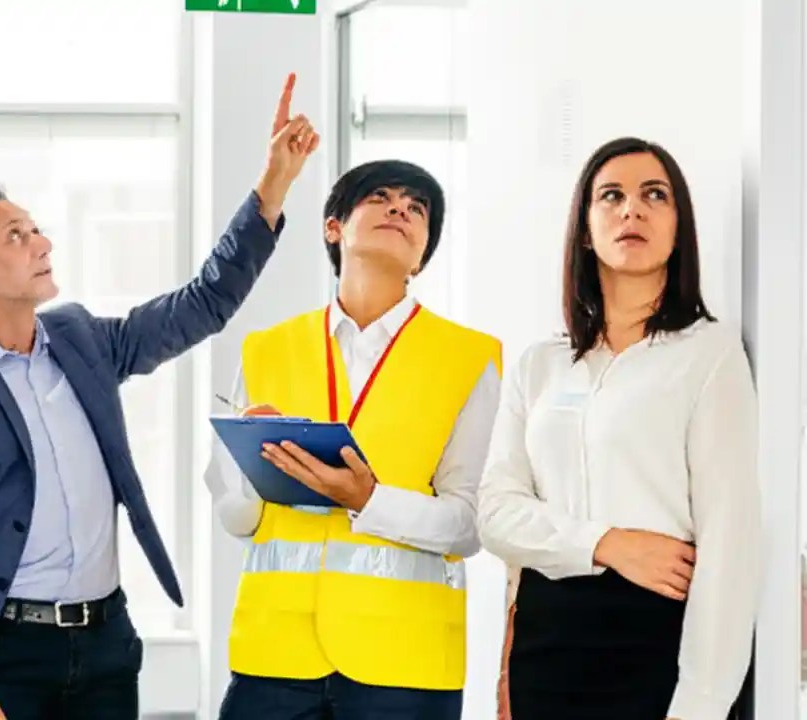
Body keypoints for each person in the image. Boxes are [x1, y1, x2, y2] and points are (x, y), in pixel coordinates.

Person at [0, 73, 319, 720]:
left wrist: (274, 184)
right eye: (17, 236)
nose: (43, 243)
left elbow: (201, 303)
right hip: (4, 657)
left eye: (35, 229)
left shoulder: (80, 339)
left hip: (106, 646)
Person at [204, 158, 502, 720]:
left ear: (422, 254)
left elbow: (470, 525)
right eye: (381, 197)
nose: (400, 210)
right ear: (333, 227)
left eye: (417, 209)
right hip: (275, 659)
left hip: (403, 665)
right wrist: (257, 466)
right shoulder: (267, 349)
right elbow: (235, 517)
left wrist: (369, 501)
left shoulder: (469, 358)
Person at [477, 136, 759, 720]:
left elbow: (731, 538)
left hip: (658, 647)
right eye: (612, 195)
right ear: (585, 228)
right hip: (546, 648)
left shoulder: (708, 352)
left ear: (679, 226)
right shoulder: (540, 364)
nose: (632, 209)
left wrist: (703, 703)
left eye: (654, 195)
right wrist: (608, 543)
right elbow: (496, 514)